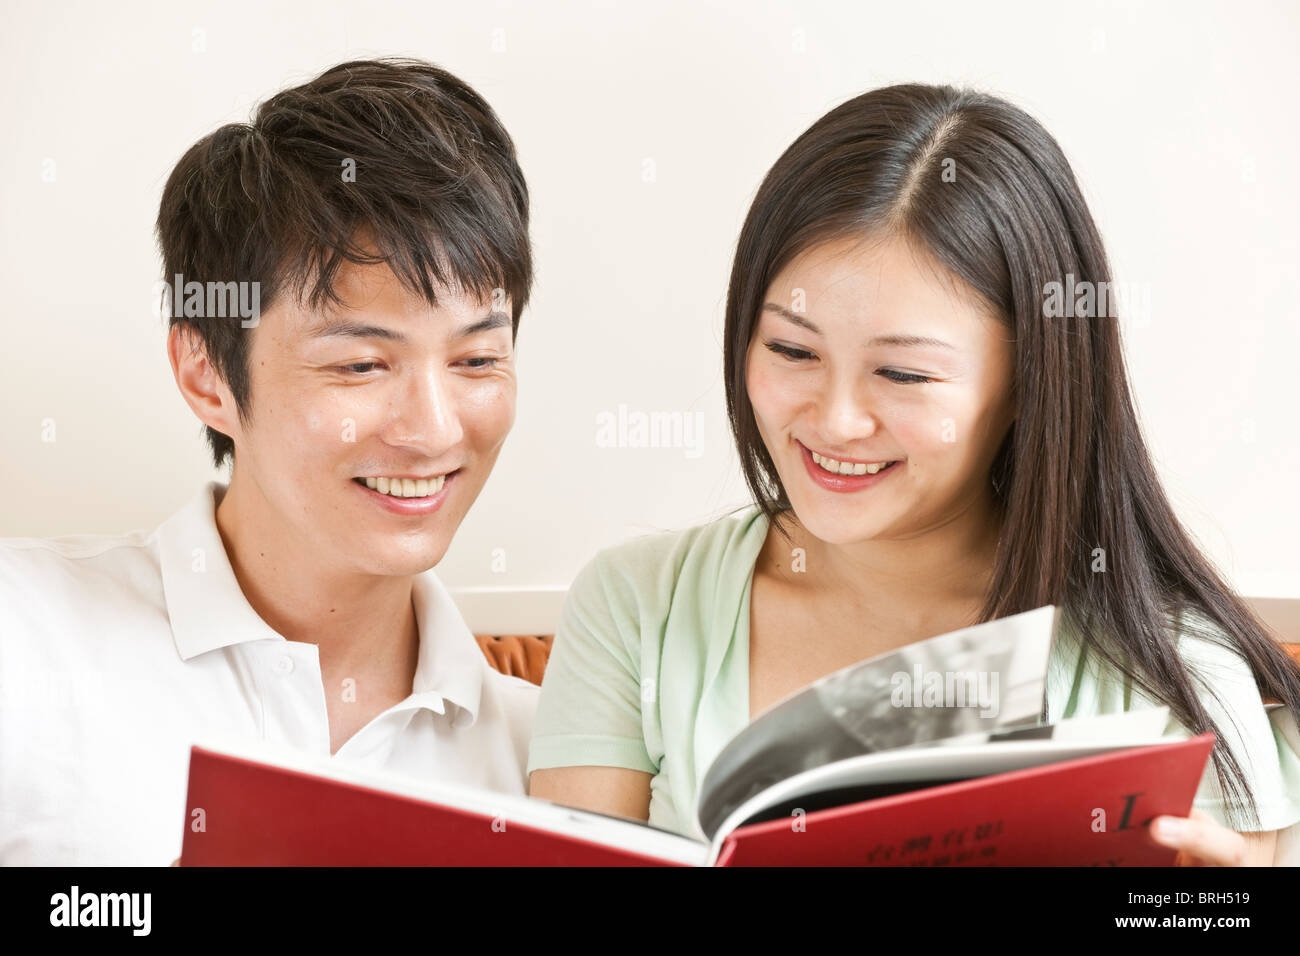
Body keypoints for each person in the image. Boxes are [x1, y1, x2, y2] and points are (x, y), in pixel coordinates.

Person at [527, 83, 1300, 865]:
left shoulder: (1179, 674)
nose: (834, 421)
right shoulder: (637, 608)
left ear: (1031, 383)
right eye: (792, 351)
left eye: (901, 374)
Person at [0, 58, 538, 865]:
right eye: (361, 365)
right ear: (206, 372)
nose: (431, 431)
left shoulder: (556, 755)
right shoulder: (28, 638)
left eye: (476, 361)